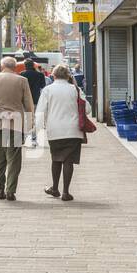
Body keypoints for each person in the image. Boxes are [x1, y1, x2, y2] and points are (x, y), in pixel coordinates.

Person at [0, 56, 35, 201]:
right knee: (14, 158)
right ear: (14, 67)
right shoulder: (22, 81)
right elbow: (28, 103)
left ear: (1, 66)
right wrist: (30, 123)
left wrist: (0, 111)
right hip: (16, 124)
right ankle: (11, 190)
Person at [34, 65, 87, 201]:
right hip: (73, 129)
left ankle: (55, 188)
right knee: (68, 160)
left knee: (56, 159)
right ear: (68, 75)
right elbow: (88, 109)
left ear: (53, 75)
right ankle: (66, 192)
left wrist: (36, 130)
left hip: (54, 129)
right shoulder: (75, 89)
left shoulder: (48, 90)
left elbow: (40, 112)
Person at [19, 54, 46, 147]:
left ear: (25, 66)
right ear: (33, 65)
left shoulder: (22, 74)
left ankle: (25, 138)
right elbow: (43, 86)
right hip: (35, 99)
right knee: (34, 119)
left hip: (24, 100)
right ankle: (34, 138)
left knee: (25, 119)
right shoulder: (40, 75)